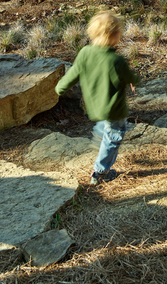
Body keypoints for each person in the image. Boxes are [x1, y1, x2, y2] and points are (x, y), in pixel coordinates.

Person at [54, 11, 140, 185]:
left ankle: (101, 135)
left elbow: (73, 74)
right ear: (116, 35)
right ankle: (100, 172)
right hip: (114, 110)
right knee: (115, 135)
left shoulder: (85, 52)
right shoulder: (116, 61)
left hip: (95, 108)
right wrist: (134, 80)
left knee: (106, 129)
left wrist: (59, 88)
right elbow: (131, 77)